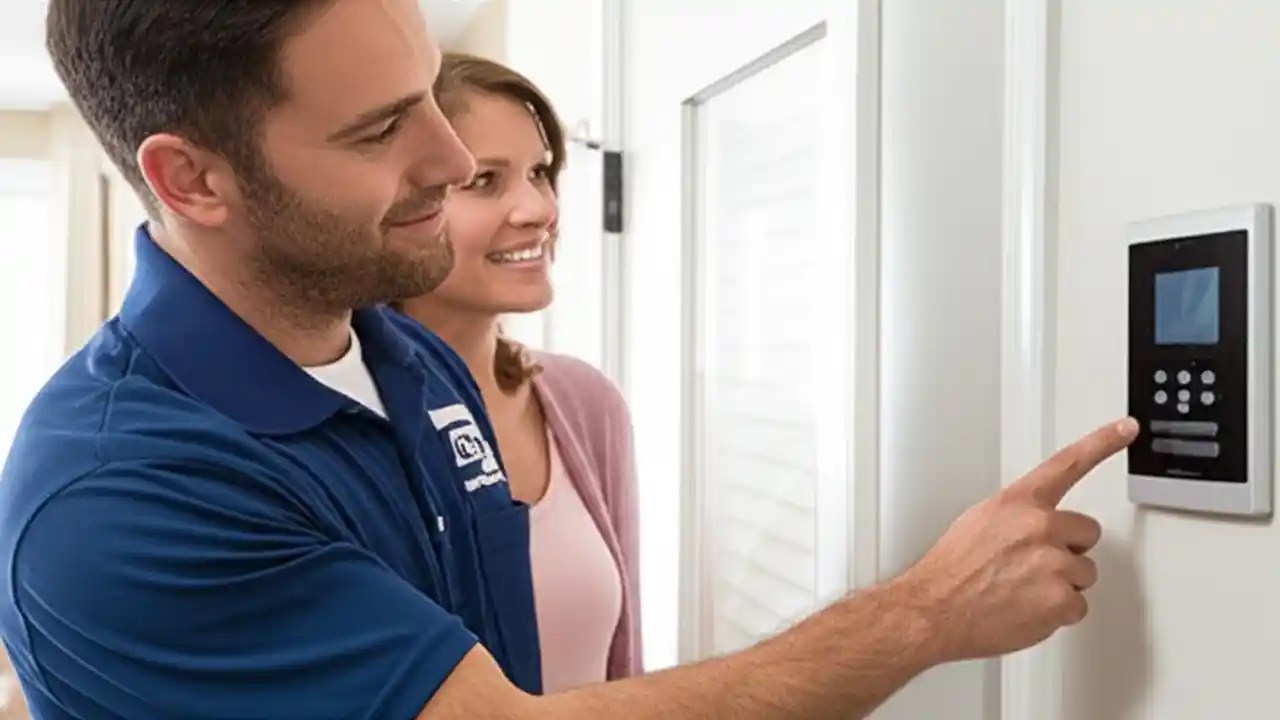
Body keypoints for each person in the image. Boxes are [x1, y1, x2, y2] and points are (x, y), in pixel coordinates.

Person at [0, 1, 1138, 718]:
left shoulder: (409, 359)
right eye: (379, 127)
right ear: (192, 179)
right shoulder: (121, 496)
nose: (447, 160)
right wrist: (923, 614)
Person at [395, 53, 642, 691]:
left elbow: (625, 673)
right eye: (484, 182)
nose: (537, 208)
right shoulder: (351, 419)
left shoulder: (586, 404)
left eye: (540, 173)